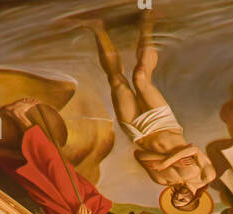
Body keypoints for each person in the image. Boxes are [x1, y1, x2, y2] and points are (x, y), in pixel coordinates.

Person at [90, 14, 215, 194]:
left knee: (117, 81)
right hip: (165, 124)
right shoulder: (206, 176)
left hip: (139, 133)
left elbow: (140, 155)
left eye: (176, 202)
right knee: (141, 76)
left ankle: (98, 28)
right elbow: (194, 148)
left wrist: (167, 160)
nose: (180, 199)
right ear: (196, 202)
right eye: (185, 203)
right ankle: (146, 25)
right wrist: (167, 161)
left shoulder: (162, 180)